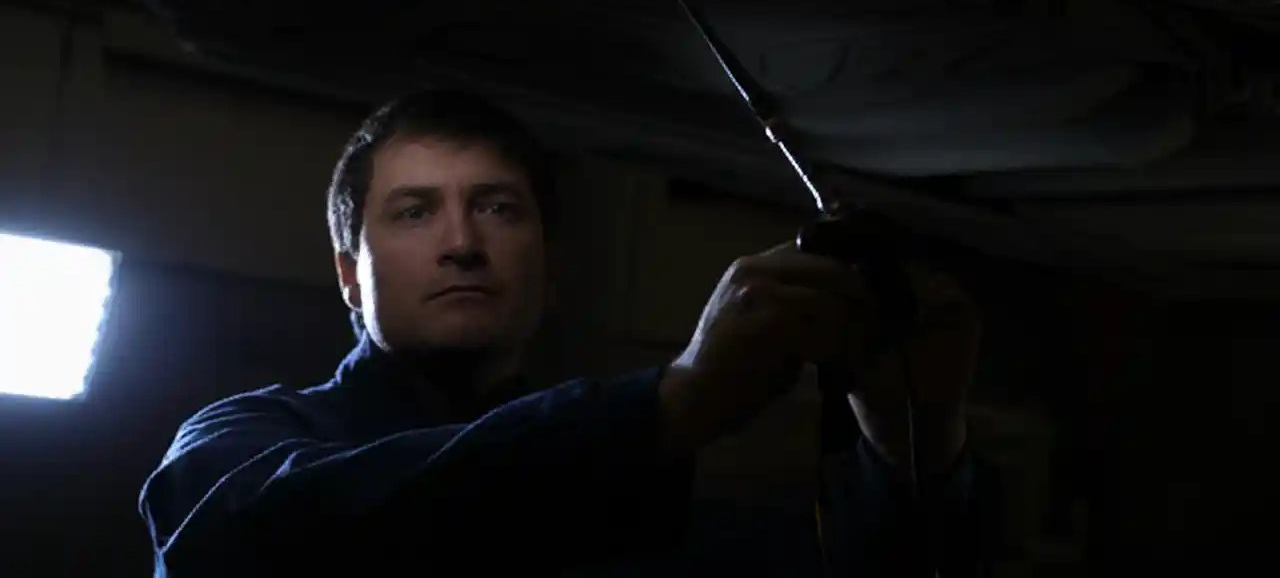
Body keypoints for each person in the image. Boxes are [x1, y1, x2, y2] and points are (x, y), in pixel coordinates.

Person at [139, 92, 991, 577]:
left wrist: (911, 436)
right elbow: (243, 545)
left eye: (498, 208)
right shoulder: (243, 443)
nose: (463, 241)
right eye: (414, 212)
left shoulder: (636, 502)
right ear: (349, 277)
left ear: (550, 273)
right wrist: (671, 404)